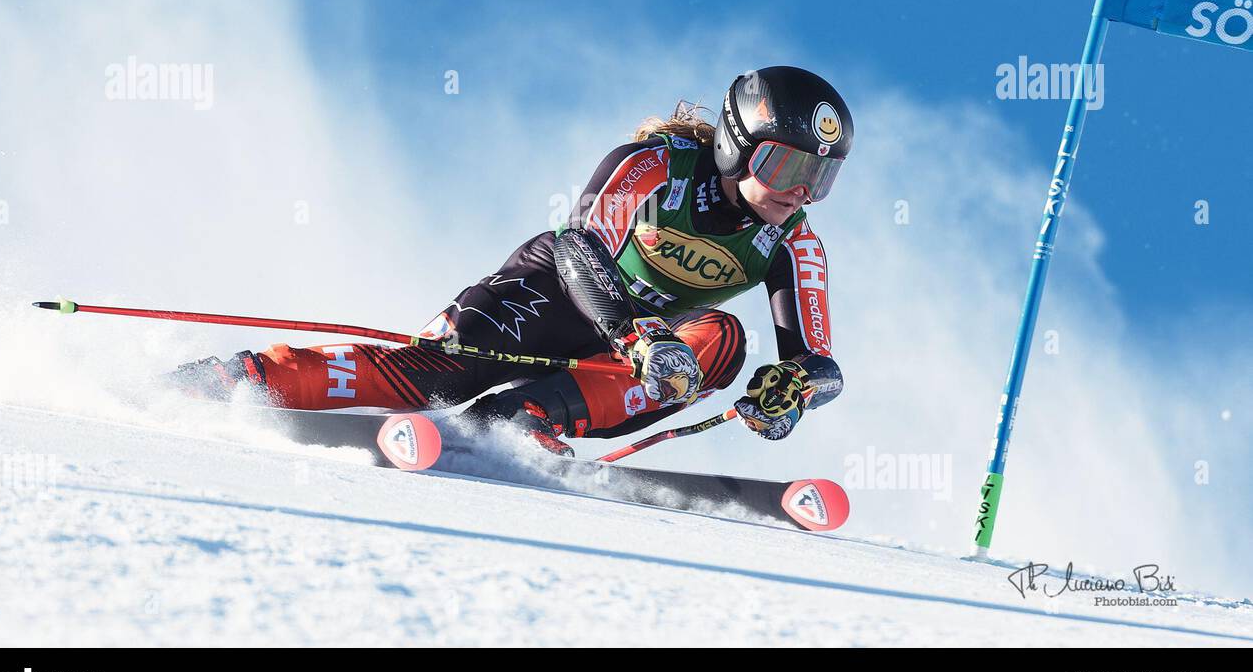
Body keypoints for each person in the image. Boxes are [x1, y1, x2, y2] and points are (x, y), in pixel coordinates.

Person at [171, 66, 852, 456]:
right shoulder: (655, 167)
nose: (800, 189)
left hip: (622, 355)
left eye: (820, 178)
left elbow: (818, 364)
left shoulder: (795, 240)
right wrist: (634, 333)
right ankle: (238, 377)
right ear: (737, 146)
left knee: (722, 341)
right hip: (548, 298)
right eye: (786, 164)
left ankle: (526, 422)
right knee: (435, 379)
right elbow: (577, 249)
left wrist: (792, 392)